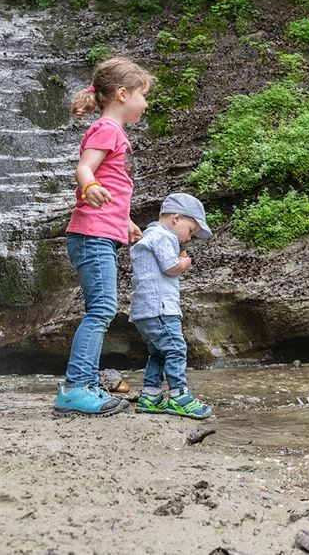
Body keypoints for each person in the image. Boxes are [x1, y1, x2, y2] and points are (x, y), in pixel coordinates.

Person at [53, 57, 154, 417]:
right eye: (143, 95)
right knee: (101, 309)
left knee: (101, 309)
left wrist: (124, 221)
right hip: (91, 236)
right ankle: (77, 388)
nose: (145, 103)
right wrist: (90, 184)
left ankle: (85, 384)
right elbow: (85, 168)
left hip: (102, 234)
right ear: (123, 94)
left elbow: (112, 186)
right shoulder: (107, 130)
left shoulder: (114, 131)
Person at [129, 192, 214, 420]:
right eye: (191, 231)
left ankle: (150, 395)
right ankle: (179, 397)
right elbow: (170, 267)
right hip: (161, 309)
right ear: (176, 218)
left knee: (158, 353)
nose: (188, 239)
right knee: (176, 349)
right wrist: (184, 263)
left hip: (144, 312)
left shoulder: (148, 236)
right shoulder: (163, 237)